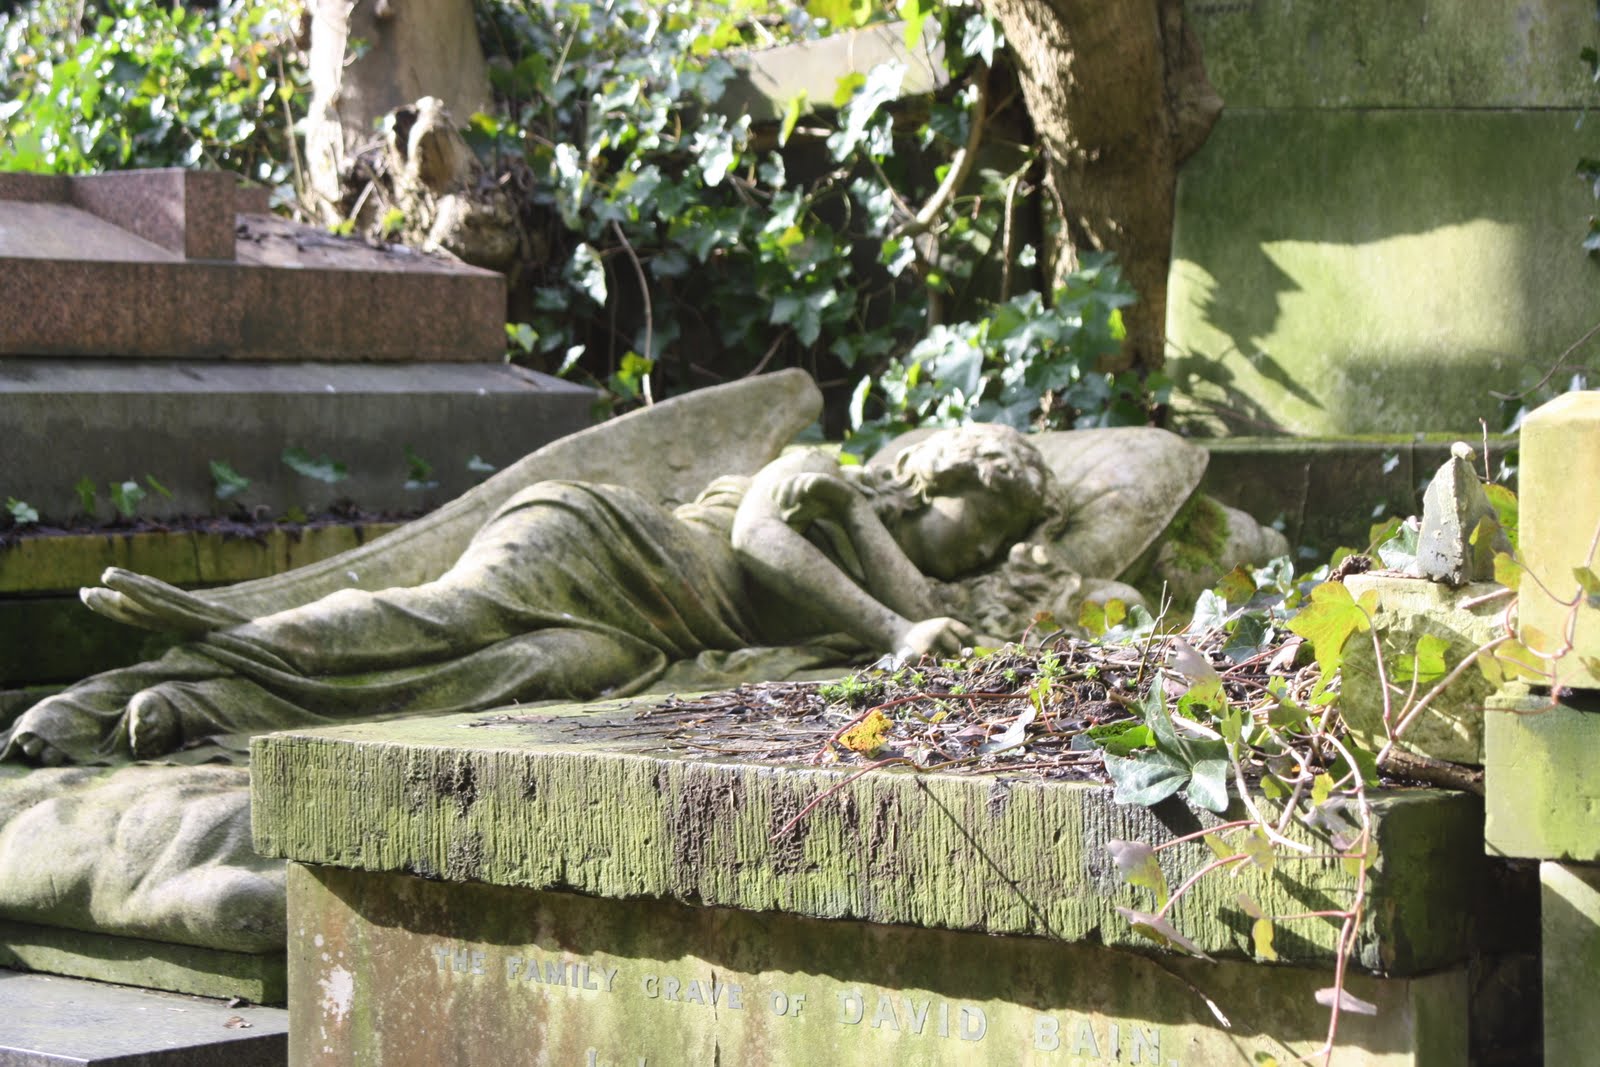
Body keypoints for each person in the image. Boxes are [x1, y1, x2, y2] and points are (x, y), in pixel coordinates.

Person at [3, 424, 1060, 767]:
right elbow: (756, 535)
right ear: (944, 475)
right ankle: (138, 673)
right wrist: (893, 629)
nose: (994, 549)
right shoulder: (827, 475)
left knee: (485, 682)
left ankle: (198, 710)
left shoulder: (922, 588)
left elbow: (918, 611)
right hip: (608, 550)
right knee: (441, 621)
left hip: (646, 644)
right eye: (995, 522)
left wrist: (921, 614)